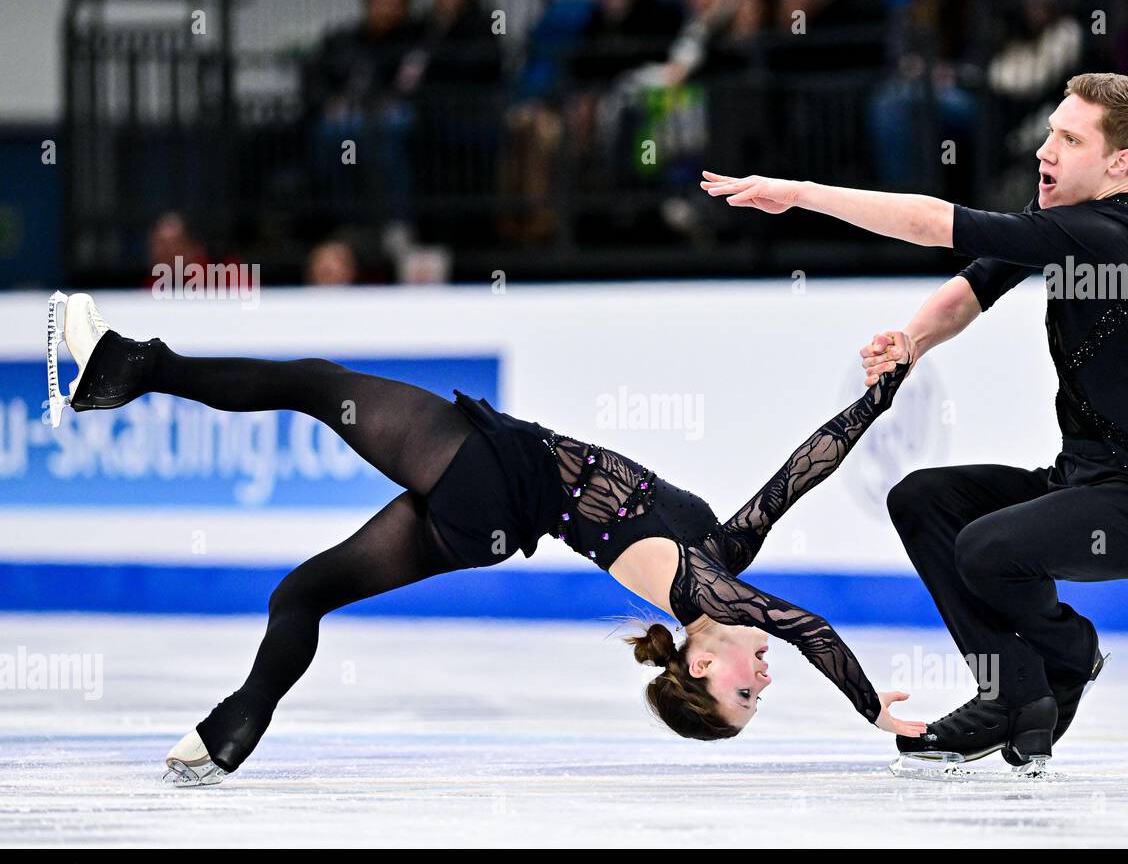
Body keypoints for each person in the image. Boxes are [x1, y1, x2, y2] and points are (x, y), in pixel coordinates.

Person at [51, 292, 925, 786]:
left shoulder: (703, 596)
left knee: (320, 386)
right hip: (487, 521)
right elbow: (796, 475)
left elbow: (807, 628)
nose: (760, 681)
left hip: (496, 479)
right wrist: (877, 398)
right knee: (302, 595)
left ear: (700, 666)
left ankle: (132, 367)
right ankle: (230, 731)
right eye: (757, 694)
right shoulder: (720, 564)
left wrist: (877, 712)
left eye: (743, 696)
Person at [702, 72, 1128, 770]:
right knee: (922, 500)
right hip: (1078, 486)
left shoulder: (1110, 236)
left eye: (1069, 138)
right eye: (1050, 131)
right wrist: (911, 342)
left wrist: (802, 194)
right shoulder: (1068, 226)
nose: (1043, 150)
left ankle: (1057, 658)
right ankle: (1018, 693)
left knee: (987, 548)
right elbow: (975, 283)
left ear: (1118, 163)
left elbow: (935, 224)